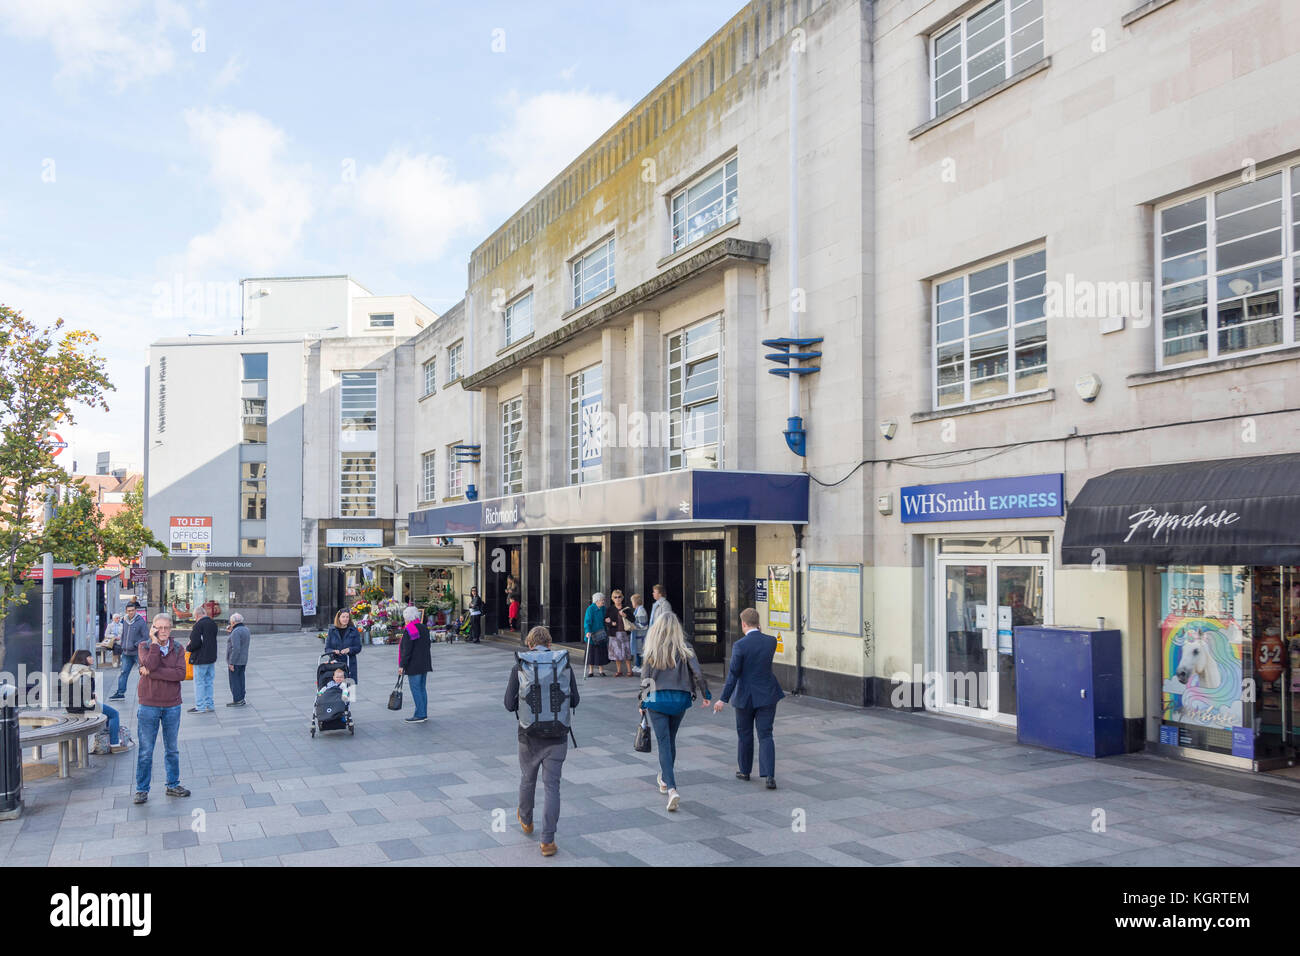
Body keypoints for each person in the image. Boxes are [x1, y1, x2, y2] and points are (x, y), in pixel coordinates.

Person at [505, 626, 579, 857]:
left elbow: (508, 704)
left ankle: (526, 820)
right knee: (552, 786)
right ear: (549, 643)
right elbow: (575, 700)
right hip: (557, 735)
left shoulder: (521, 665)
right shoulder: (563, 664)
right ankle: (548, 842)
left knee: (528, 779)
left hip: (528, 735)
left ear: (529, 644)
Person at [638, 612, 711, 812]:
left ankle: (671, 788)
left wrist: (643, 701)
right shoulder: (685, 648)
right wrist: (706, 694)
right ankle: (664, 778)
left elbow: (646, 678)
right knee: (670, 739)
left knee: (664, 742)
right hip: (680, 699)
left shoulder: (652, 649)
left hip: (657, 700)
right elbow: (697, 672)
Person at [713, 607, 785, 789]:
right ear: (758, 624)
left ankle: (745, 771)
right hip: (767, 694)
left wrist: (723, 699)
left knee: (745, 734)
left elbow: (733, 674)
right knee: (766, 734)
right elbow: (759, 642)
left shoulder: (740, 646)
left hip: (744, 696)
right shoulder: (770, 642)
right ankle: (769, 775)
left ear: (743, 624)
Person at [133, 613, 191, 804]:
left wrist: (153, 673)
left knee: (172, 749)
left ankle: (172, 784)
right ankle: (142, 790)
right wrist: (155, 644)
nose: (163, 631)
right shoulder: (145, 646)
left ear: (171, 628)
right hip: (148, 704)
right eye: (159, 628)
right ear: (153, 629)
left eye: (166, 627)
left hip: (172, 705)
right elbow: (149, 663)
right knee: (145, 751)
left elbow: (180, 674)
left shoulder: (177, 648)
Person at [61, 650, 128, 754]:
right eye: (89, 657)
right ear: (83, 659)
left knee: (105, 714)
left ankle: (105, 741)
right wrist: (92, 700)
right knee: (114, 714)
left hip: (70, 706)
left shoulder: (71, 670)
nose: (92, 658)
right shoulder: (84, 672)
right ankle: (114, 744)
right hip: (82, 706)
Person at [397, 605, 431, 723]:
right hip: (424, 663)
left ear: (407, 618)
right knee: (422, 689)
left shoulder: (409, 629)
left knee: (416, 689)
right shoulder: (424, 628)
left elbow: (407, 650)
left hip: (414, 665)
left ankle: (420, 714)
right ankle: (423, 713)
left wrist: (402, 665)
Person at [109, 600, 147, 700]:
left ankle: (146, 693)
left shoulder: (140, 621)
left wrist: (136, 644)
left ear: (135, 610)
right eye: (129, 610)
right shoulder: (124, 620)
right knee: (123, 672)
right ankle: (120, 693)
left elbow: (146, 636)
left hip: (136, 652)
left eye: (133, 610)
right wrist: (122, 644)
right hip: (126, 652)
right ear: (126, 611)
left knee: (143, 673)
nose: (131, 612)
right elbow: (123, 633)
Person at [186, 609, 218, 714]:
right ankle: (210, 704)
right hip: (211, 657)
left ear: (197, 615)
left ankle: (200, 706)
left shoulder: (198, 625)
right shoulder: (213, 623)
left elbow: (195, 643)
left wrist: (188, 647)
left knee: (199, 683)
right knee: (209, 682)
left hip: (200, 658)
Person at [326, 609, 363, 683]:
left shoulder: (354, 630)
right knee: (336, 688)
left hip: (349, 662)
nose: (345, 619)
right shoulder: (332, 630)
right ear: (338, 618)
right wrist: (333, 651)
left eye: (347, 617)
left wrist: (349, 649)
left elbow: (358, 647)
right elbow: (327, 648)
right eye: (343, 617)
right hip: (335, 663)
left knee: (349, 688)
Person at [226, 612, 251, 707]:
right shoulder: (246, 629)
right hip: (243, 659)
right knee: (241, 679)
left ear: (233, 622)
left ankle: (237, 699)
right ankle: (242, 698)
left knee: (234, 680)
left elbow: (236, 648)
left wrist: (231, 662)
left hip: (236, 660)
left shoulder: (236, 632)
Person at [582, 592, 610, 678]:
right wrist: (587, 631)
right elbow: (587, 621)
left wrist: (607, 620)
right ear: (597, 601)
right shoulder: (590, 609)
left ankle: (601, 670)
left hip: (601, 634)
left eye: (603, 600)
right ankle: (591, 671)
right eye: (602, 600)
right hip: (592, 634)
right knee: (591, 653)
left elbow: (605, 618)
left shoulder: (603, 609)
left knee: (600, 652)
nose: (603, 601)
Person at [608, 590, 634, 677]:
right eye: (615, 597)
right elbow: (606, 621)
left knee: (627, 652)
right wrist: (611, 623)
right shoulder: (610, 609)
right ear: (612, 599)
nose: (617, 599)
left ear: (622, 598)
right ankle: (619, 671)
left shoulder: (626, 608)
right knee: (616, 653)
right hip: (614, 634)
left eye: (619, 597)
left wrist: (625, 615)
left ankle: (629, 671)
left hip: (624, 633)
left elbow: (633, 619)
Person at [629, 593, 649, 674]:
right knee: (638, 650)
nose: (632, 603)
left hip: (641, 635)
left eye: (632, 602)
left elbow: (643, 624)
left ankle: (642, 666)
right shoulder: (638, 610)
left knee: (641, 651)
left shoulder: (641, 611)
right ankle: (637, 665)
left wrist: (633, 625)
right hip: (638, 634)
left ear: (635, 602)